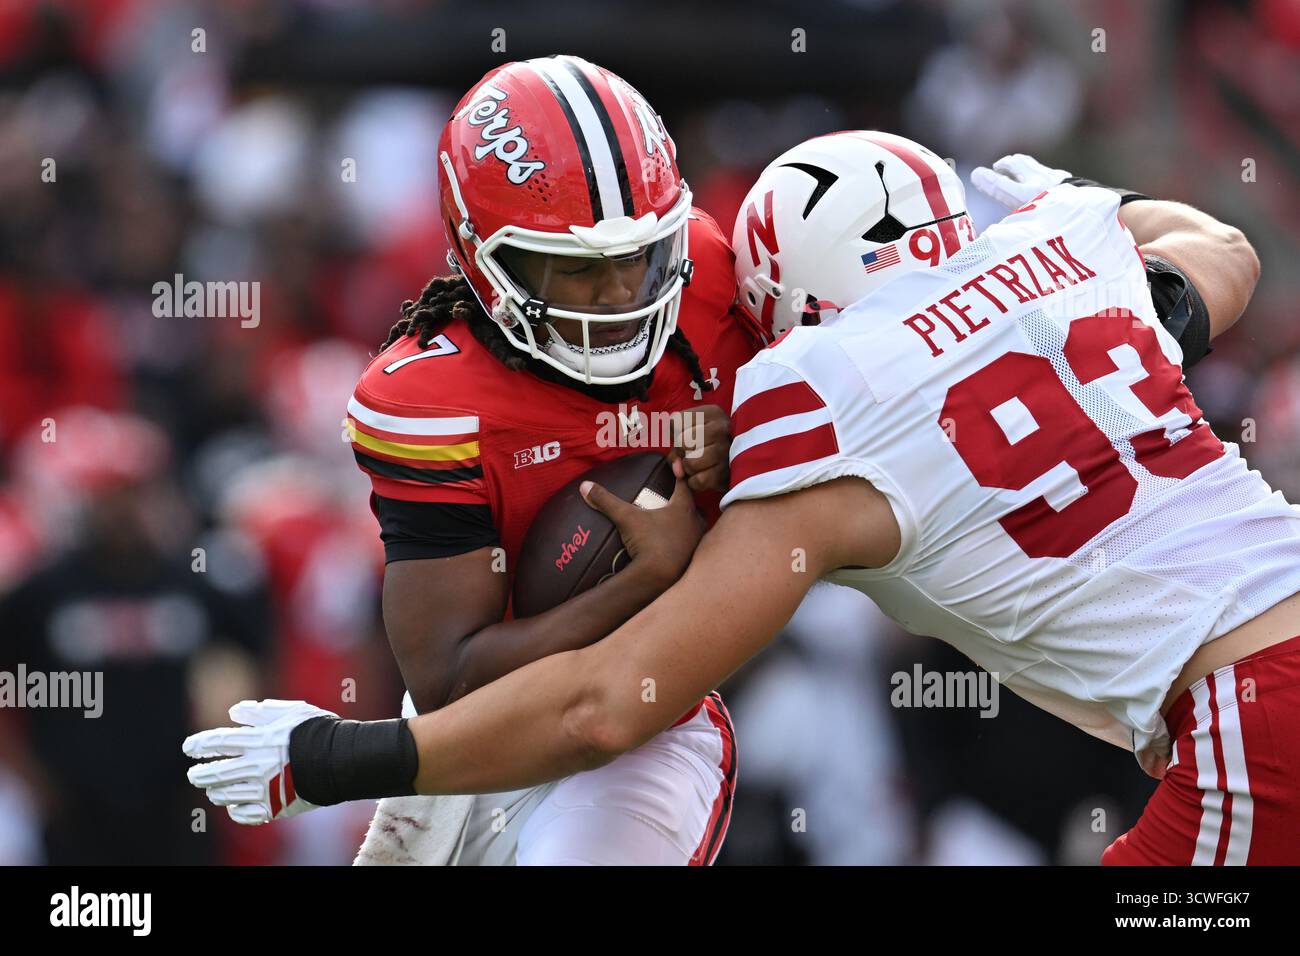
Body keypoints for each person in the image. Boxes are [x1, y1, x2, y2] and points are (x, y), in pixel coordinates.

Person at [187, 136, 1297, 866]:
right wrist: (1099, 320)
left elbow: (605, 704)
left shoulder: (819, 402)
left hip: (1259, 715)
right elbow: (1225, 249)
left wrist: (345, 756)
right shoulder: (1059, 246)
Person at [339, 55, 758, 865]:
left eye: (639, 256)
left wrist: (751, 448)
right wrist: (645, 576)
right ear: (490, 262)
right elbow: (451, 679)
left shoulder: (716, 283)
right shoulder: (428, 398)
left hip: (651, 721)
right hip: (485, 726)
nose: (623, 293)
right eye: (579, 267)